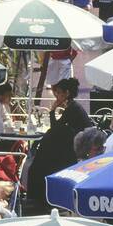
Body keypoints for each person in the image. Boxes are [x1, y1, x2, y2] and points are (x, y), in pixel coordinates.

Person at [24, 78, 92, 214]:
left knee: (46, 160)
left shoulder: (72, 108)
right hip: (76, 143)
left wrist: (52, 110)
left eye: (59, 94)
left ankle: (43, 196)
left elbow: (56, 127)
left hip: (81, 146)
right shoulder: (72, 107)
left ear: (66, 93)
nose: (57, 96)